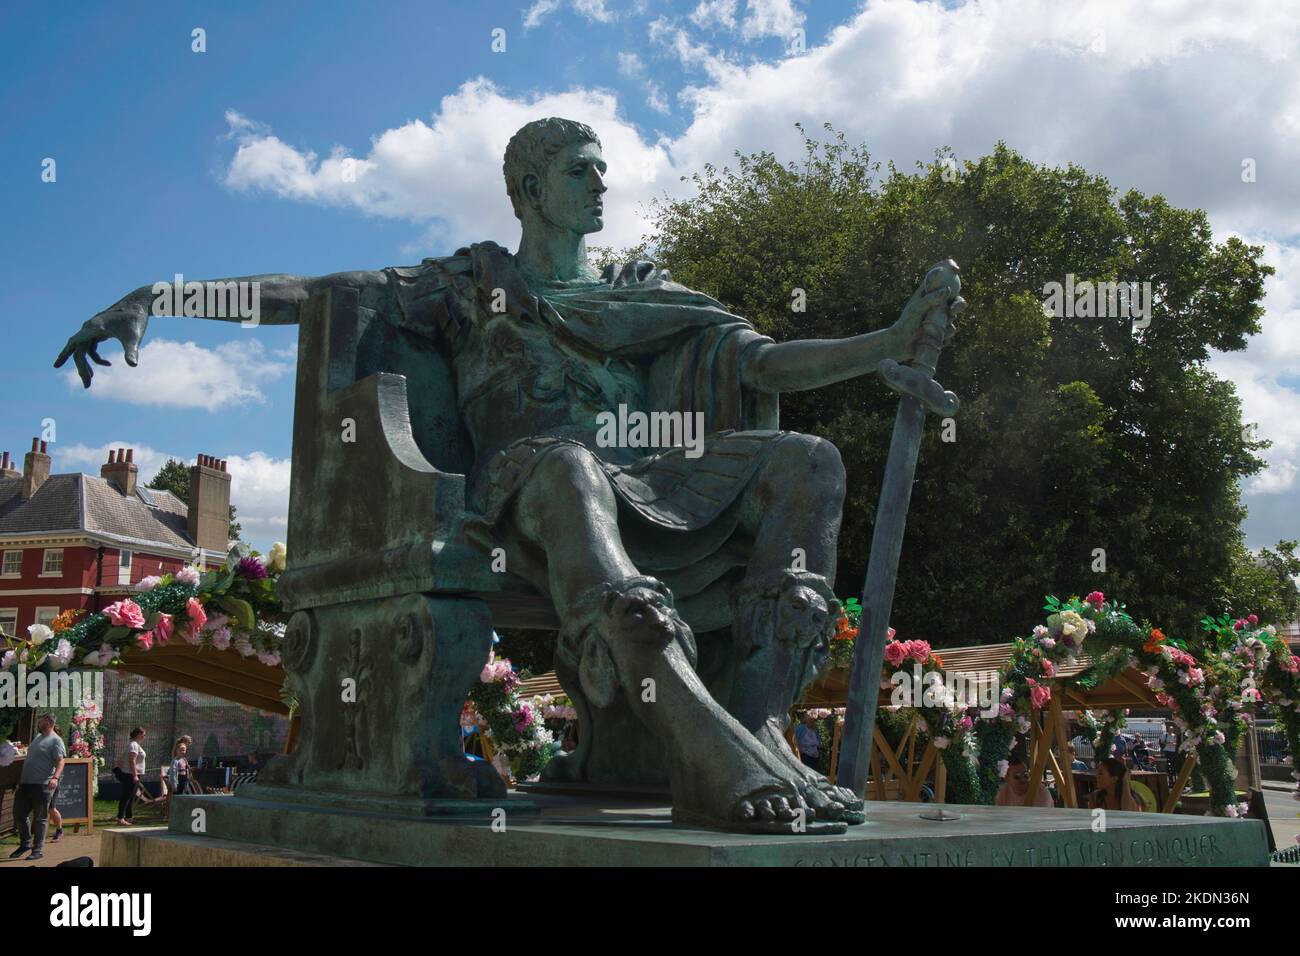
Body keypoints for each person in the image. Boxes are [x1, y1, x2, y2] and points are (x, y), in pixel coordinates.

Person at [55, 117, 963, 833]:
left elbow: (761, 362)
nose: (602, 183)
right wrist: (162, 296)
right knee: (568, 466)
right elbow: (313, 294)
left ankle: (754, 729)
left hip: (653, 486)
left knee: (809, 460)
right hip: (523, 493)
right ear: (529, 189)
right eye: (581, 170)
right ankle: (700, 742)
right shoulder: (467, 283)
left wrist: (883, 344)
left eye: (603, 169)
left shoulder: (640, 293)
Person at [8, 713, 66, 861]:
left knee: (40, 818)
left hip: (43, 784)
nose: (38, 723)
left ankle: (38, 850)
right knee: (19, 814)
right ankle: (25, 844)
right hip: (26, 783)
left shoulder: (56, 740)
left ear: (48, 722)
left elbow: (60, 761)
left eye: (40, 721)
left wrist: (55, 778)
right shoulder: (38, 738)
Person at [113, 726, 147, 825]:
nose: (144, 737)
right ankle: (120, 818)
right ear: (139, 734)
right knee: (126, 796)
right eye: (143, 735)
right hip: (130, 775)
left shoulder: (135, 745)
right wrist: (134, 775)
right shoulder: (134, 745)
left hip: (132, 774)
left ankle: (129, 817)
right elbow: (132, 760)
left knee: (131, 797)